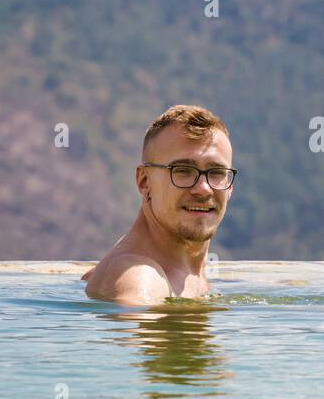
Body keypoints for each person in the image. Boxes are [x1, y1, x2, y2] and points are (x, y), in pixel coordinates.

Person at [83, 105, 236, 304]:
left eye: (216, 172)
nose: (203, 188)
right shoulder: (139, 278)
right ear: (144, 181)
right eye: (182, 170)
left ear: (230, 186)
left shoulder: (175, 270)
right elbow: (135, 317)